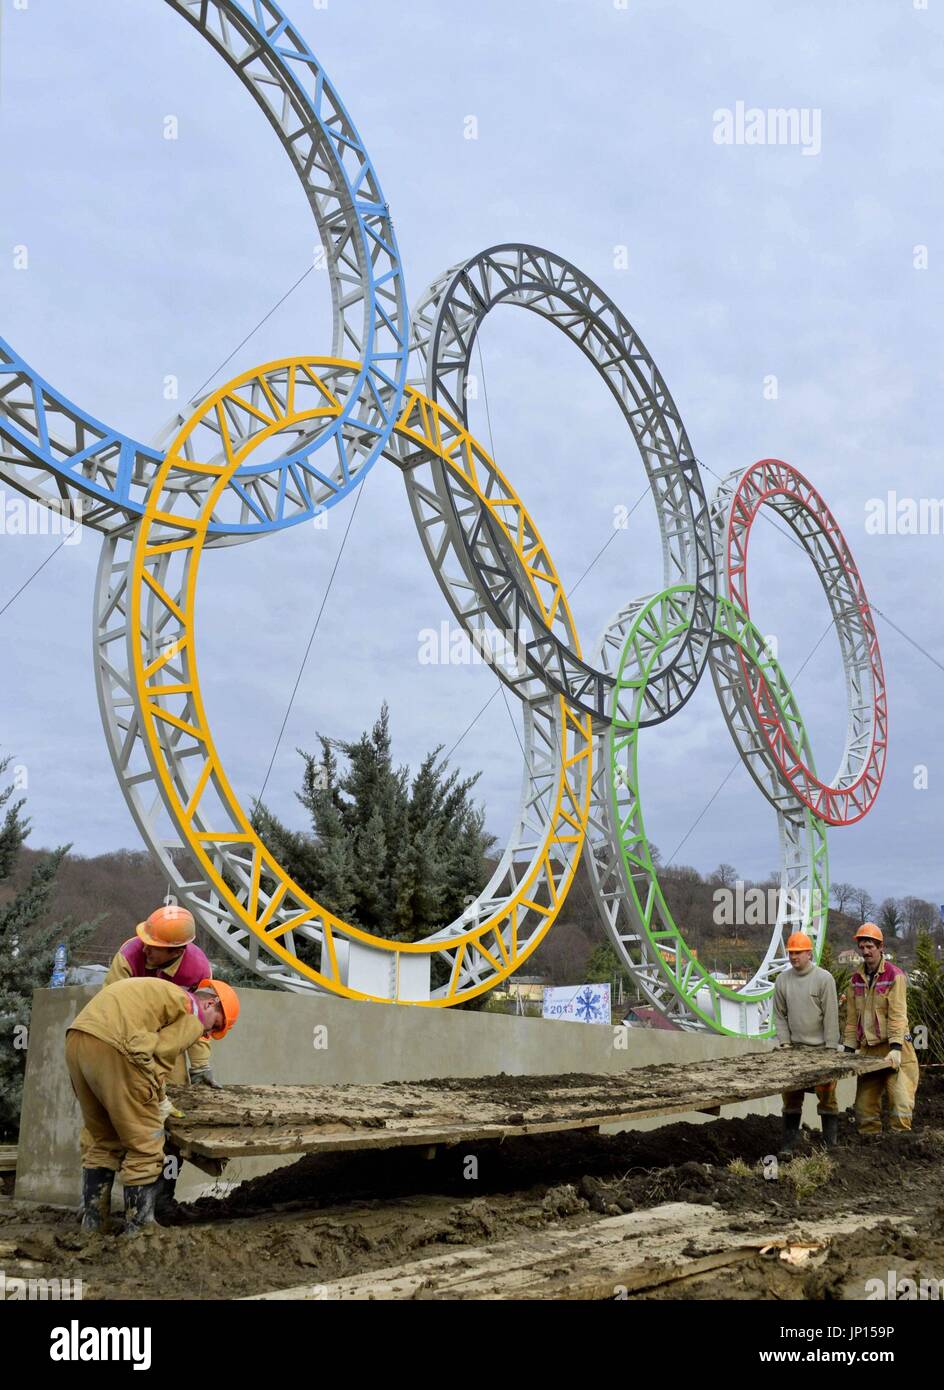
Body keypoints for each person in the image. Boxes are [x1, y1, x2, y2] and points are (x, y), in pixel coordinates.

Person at [65, 975, 239, 1235]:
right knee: (146, 1145)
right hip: (116, 1047)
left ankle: (94, 1222)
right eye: (215, 1026)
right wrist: (157, 1100)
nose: (208, 1034)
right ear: (210, 1005)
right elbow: (157, 1058)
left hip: (78, 1040)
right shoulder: (191, 1014)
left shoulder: (162, 993)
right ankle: (140, 1226)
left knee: (104, 1140)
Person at [104, 904, 218, 1088]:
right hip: (127, 1032)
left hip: (168, 1037)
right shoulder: (129, 956)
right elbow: (109, 1006)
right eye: (145, 943)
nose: (144, 950)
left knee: (175, 1089)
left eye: (153, 947)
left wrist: (200, 1065)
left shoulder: (198, 970)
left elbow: (198, 1020)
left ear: (177, 951)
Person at [843, 922, 919, 1136]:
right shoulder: (855, 980)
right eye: (862, 947)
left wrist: (895, 1047)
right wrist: (848, 1050)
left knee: (900, 1102)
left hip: (895, 1047)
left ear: (880, 947)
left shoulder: (895, 976)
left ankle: (900, 1145)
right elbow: (851, 1019)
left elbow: (897, 1014)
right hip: (869, 1050)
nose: (866, 951)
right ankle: (870, 1150)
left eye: (870, 946)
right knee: (865, 1107)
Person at [773, 931, 840, 1152]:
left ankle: (829, 1145)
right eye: (791, 953)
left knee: (827, 1097)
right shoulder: (783, 980)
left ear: (809, 953)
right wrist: (784, 1044)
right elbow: (780, 1015)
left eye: (799, 952)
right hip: (794, 1049)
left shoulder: (824, 979)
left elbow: (831, 1015)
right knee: (791, 1097)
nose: (794, 957)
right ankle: (789, 1145)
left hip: (821, 1049)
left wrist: (831, 1048)